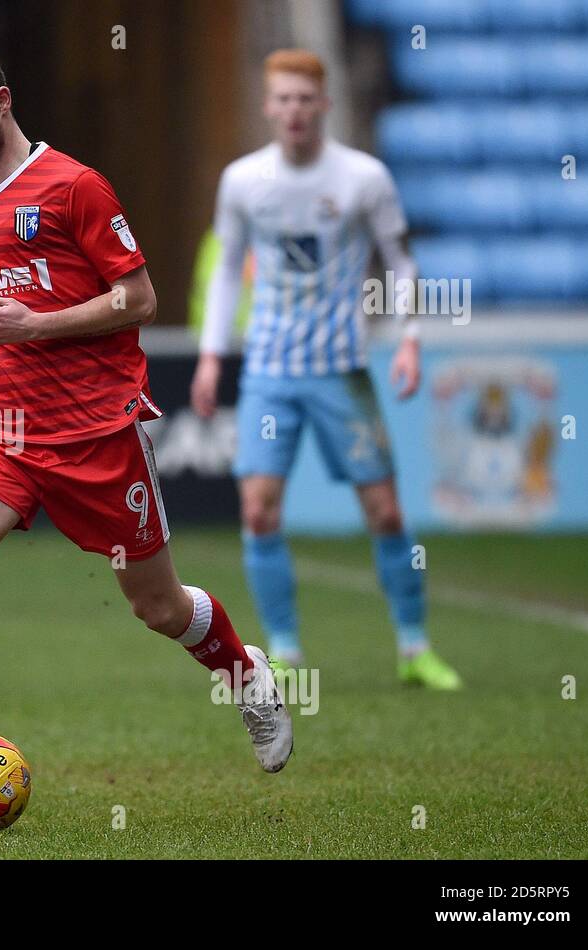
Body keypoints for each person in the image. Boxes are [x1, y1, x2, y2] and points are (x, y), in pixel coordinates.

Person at [0, 41, 293, 830]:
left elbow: (136, 298)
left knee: (159, 605)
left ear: (1, 102)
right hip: (0, 430)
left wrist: (42, 325)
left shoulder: (75, 187)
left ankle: (247, 677)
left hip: (96, 434)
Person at [190, 50, 461, 689]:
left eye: (304, 99)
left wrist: (410, 339)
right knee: (258, 510)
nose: (293, 111)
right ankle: (283, 647)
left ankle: (414, 648)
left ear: (324, 105)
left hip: (341, 370)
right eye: (282, 99)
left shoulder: (363, 178)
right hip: (269, 373)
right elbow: (228, 268)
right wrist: (209, 354)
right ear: (267, 105)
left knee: (387, 512)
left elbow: (399, 259)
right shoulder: (243, 181)